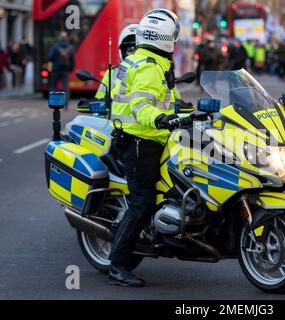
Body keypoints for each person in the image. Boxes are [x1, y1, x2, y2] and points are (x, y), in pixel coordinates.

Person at [108, 8, 186, 287]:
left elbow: (168, 98)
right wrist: (161, 118)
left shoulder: (140, 61)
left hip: (144, 137)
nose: (176, 43)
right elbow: (142, 107)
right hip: (142, 140)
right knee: (142, 202)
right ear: (165, 39)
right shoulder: (149, 68)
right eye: (174, 38)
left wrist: (188, 112)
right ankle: (117, 264)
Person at [95, 24, 138, 100]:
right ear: (123, 51)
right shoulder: (112, 73)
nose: (134, 53)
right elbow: (99, 100)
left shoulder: (152, 71)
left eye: (138, 49)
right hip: (114, 112)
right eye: (130, 49)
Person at [48, 32, 75, 105]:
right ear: (67, 38)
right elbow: (73, 61)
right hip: (65, 70)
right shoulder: (70, 47)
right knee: (66, 88)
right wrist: (70, 69)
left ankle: (53, 103)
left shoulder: (55, 46)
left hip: (56, 70)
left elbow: (49, 57)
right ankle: (66, 104)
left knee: (53, 87)